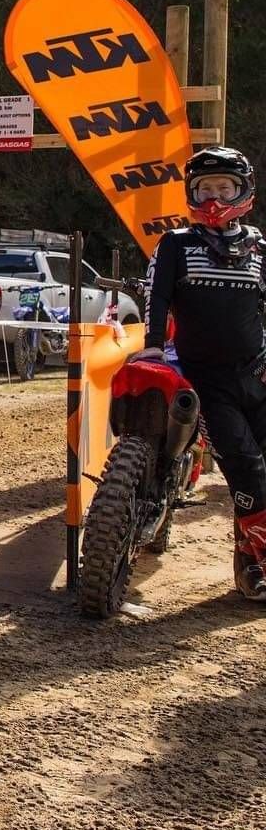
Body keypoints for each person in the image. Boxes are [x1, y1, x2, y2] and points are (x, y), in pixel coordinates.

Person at [140, 146, 266, 601]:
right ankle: (259, 562)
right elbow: (156, 295)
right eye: (205, 188)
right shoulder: (176, 243)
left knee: (260, 471)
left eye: (224, 187)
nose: (215, 196)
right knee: (245, 467)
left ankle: (248, 562)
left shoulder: (259, 247)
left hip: (257, 372)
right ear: (192, 193)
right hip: (203, 376)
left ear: (243, 191)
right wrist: (153, 345)